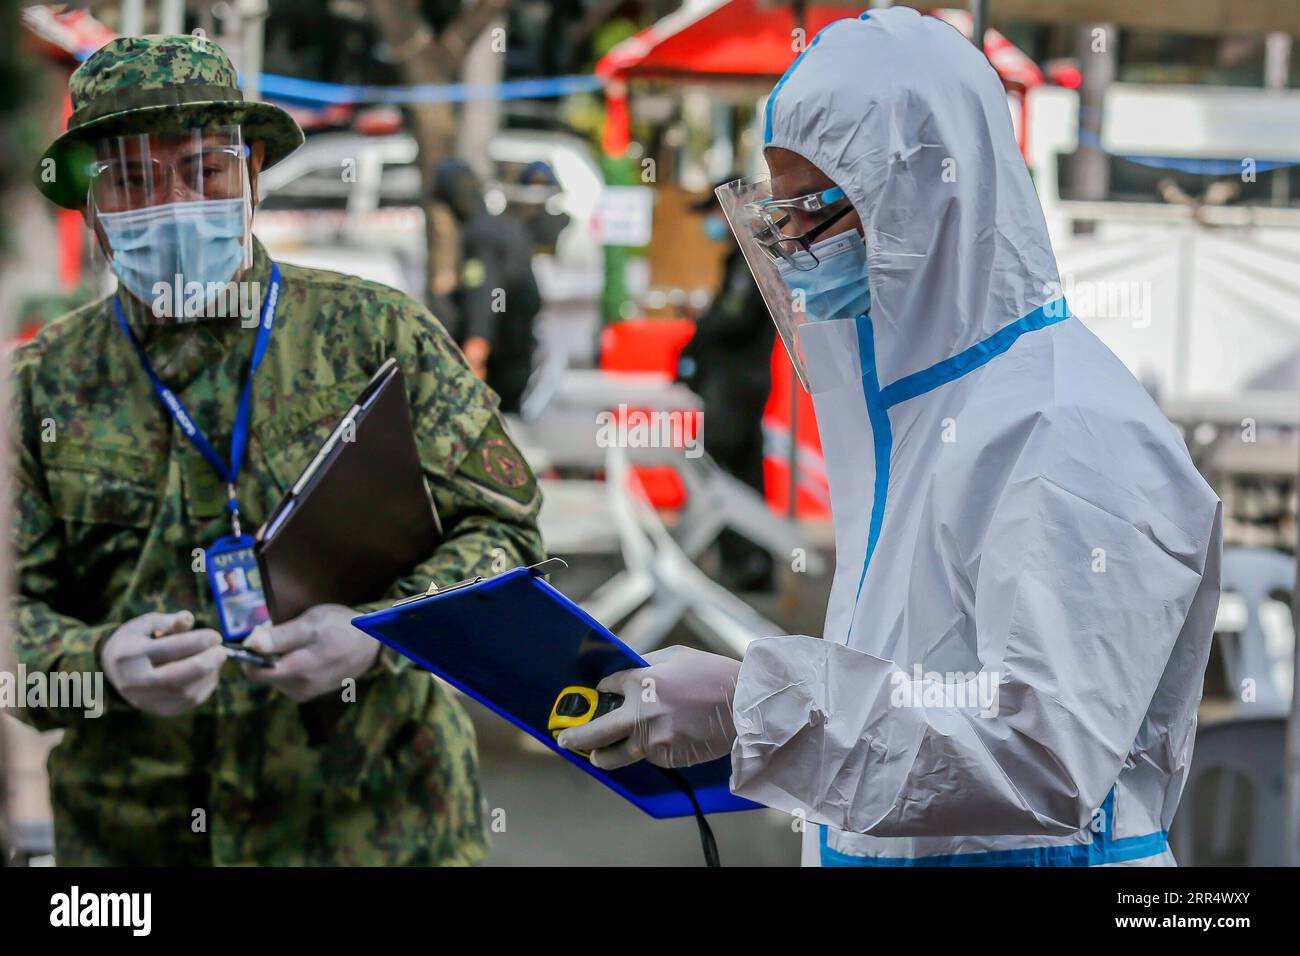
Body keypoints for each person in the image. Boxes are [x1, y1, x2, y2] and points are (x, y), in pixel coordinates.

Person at [560, 7, 1221, 867]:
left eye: (813, 209)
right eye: (778, 210)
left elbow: (1043, 758)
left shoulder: (1062, 426)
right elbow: (913, 697)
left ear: (926, 194)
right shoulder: (927, 416)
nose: (791, 244)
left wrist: (753, 704)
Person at [12, 35, 543, 865]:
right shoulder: (41, 385)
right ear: (91, 201)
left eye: (203, 169)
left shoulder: (377, 333)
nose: (174, 203)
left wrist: (381, 631)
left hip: (379, 830)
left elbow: (507, 541)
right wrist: (97, 664)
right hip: (135, 848)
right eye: (134, 179)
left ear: (252, 174)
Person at [676, 191, 776, 592]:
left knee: (717, 476)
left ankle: (740, 563)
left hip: (734, 388)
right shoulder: (744, 258)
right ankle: (751, 564)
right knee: (744, 475)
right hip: (739, 384)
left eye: (713, 212)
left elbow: (733, 321)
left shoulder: (749, 260)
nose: (709, 223)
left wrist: (701, 327)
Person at [431, 159, 543, 413]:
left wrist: (476, 349)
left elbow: (485, 294)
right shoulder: (504, 225)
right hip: (517, 350)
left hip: (500, 362)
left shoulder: (480, 236)